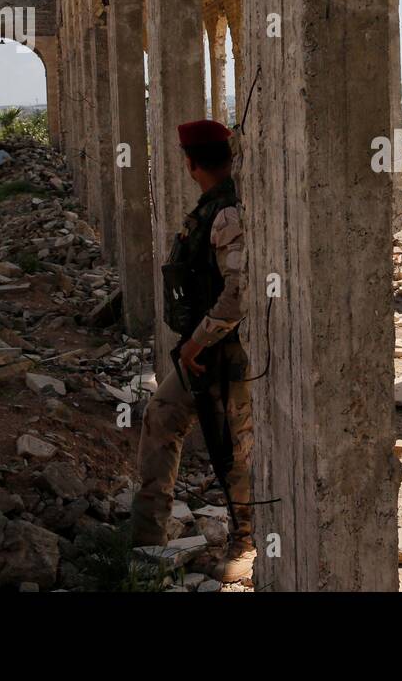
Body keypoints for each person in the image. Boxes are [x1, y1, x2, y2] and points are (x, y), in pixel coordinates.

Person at [131, 119, 255, 583]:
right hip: (199, 352)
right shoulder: (210, 209)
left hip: (228, 352)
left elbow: (237, 294)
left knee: (234, 449)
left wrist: (199, 341)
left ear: (189, 163)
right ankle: (146, 544)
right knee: (162, 414)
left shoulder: (226, 213)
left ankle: (246, 541)